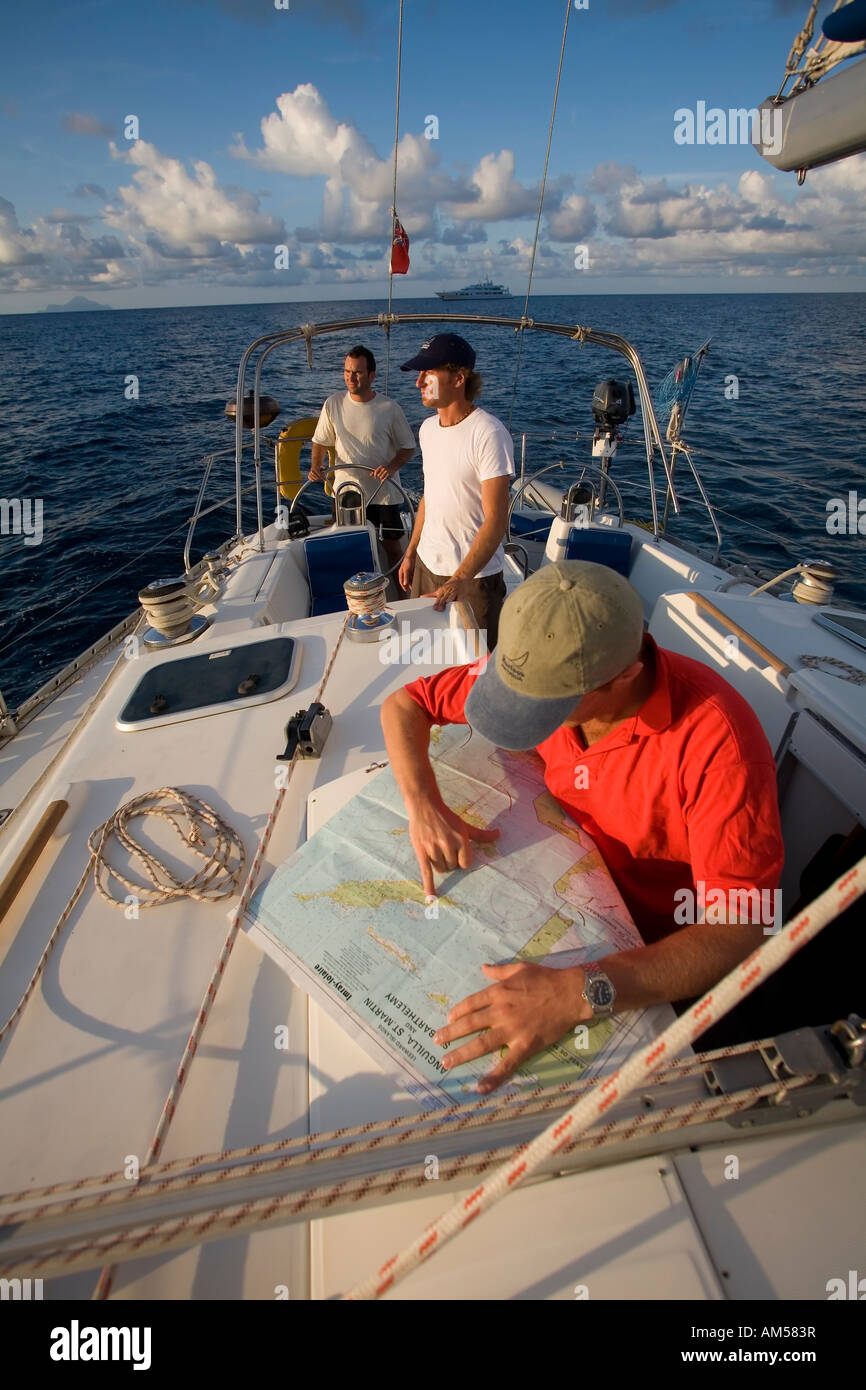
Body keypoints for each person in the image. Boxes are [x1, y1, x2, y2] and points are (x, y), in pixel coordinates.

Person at [380, 560, 785, 1093]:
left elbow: (743, 929)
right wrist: (423, 803)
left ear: (624, 677)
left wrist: (579, 993)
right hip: (567, 890)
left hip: (657, 949)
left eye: (543, 707)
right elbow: (404, 704)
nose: (521, 709)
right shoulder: (534, 664)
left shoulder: (719, 745)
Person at [397, 333, 513, 649]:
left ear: (459, 378)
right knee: (425, 655)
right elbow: (430, 498)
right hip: (427, 565)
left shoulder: (488, 433)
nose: (418, 382)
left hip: (473, 579)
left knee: (476, 669)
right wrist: (411, 552)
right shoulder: (427, 430)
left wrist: (459, 580)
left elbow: (496, 520)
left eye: (428, 374)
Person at [310, 345, 415, 571]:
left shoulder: (389, 408)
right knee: (349, 547)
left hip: (385, 493)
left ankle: (403, 598)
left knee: (392, 547)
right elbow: (320, 440)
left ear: (371, 375)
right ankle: (354, 597)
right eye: (347, 371)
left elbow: (408, 447)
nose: (351, 377)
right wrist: (315, 465)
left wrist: (391, 467)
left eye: (357, 372)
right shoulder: (333, 404)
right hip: (348, 492)